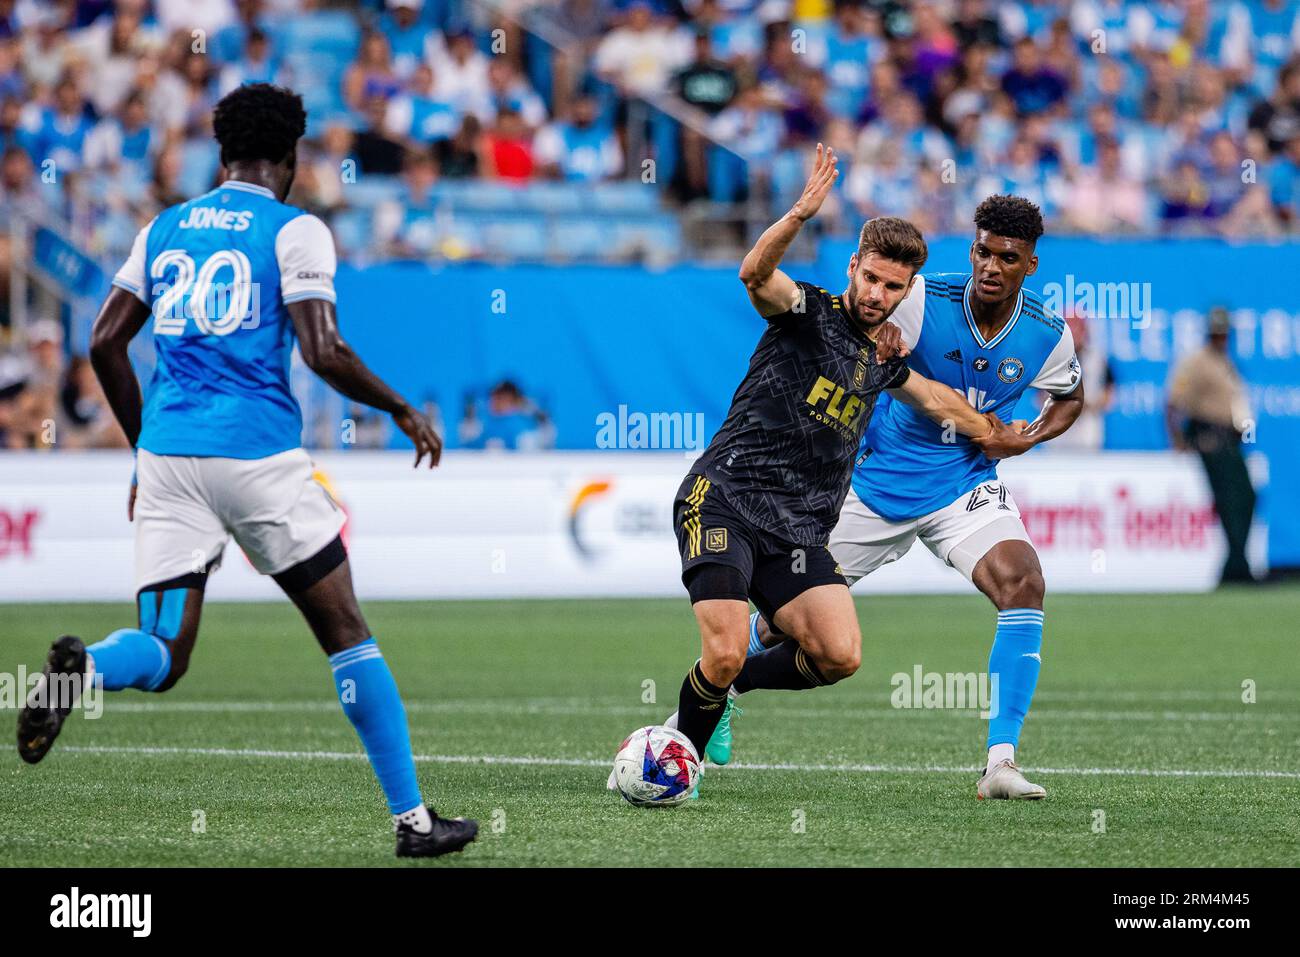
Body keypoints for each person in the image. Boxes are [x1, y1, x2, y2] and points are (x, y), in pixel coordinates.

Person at [15, 83, 477, 859]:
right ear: (291, 158)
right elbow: (322, 350)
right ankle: (413, 821)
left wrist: (144, 448)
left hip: (169, 455)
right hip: (255, 452)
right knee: (345, 633)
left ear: (221, 152)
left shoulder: (163, 228)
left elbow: (103, 344)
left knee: (164, 653)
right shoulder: (296, 231)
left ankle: (84, 667)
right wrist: (400, 407)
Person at [614, 145, 998, 798]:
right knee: (727, 645)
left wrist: (1002, 434)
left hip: (796, 534)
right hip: (725, 500)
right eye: (871, 277)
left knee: (838, 654)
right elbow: (753, 272)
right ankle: (678, 766)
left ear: (906, 291)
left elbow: (938, 400)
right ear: (853, 267)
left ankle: (720, 691)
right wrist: (798, 213)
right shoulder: (807, 312)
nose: (878, 294)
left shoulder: (882, 359)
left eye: (893, 286)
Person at [747, 195, 1086, 800]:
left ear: (1029, 265)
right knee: (779, 623)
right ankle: (715, 693)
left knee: (1024, 582)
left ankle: (1000, 763)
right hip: (876, 488)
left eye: (1007, 257)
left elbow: (1070, 398)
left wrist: (1027, 437)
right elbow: (853, 329)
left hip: (963, 488)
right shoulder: (924, 298)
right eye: (982, 250)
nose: (990, 266)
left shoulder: (1046, 334)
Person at [1166, 306, 1256, 584]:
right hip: (1209, 439)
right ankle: (1236, 566)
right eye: (1218, 332)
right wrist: (1179, 440)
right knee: (1230, 501)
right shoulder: (1197, 362)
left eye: (1224, 332)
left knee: (1246, 498)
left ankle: (1237, 563)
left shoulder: (1225, 363)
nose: (1221, 337)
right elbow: (1173, 403)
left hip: (1229, 440)